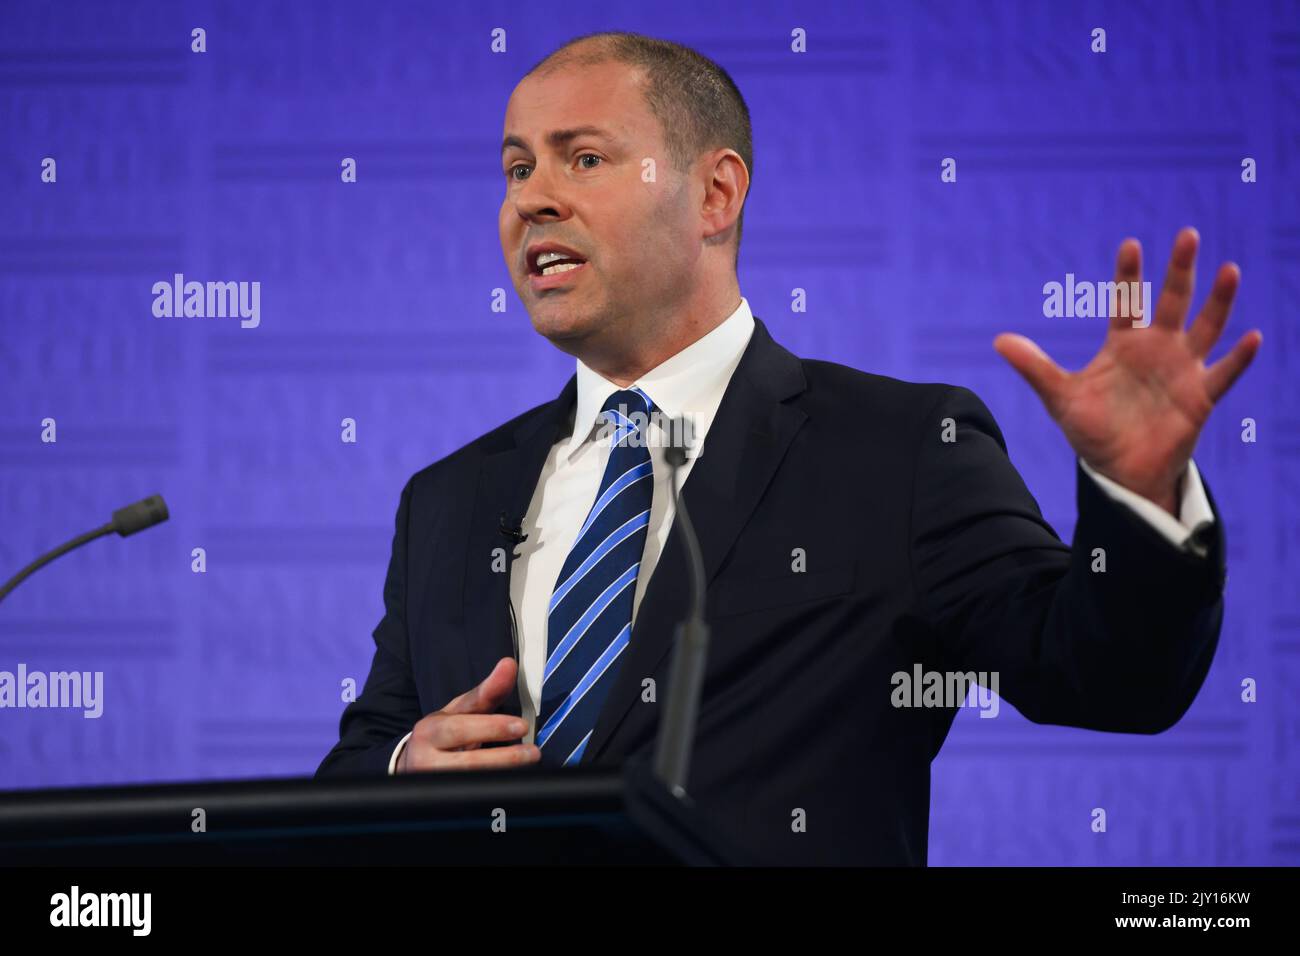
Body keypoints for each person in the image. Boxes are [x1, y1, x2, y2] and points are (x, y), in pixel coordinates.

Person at [316, 31, 1260, 865]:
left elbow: (1108, 676)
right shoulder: (448, 500)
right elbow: (359, 762)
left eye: (584, 159)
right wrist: (404, 767)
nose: (533, 199)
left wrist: (1139, 497)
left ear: (715, 193)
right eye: (517, 168)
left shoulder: (901, 451)